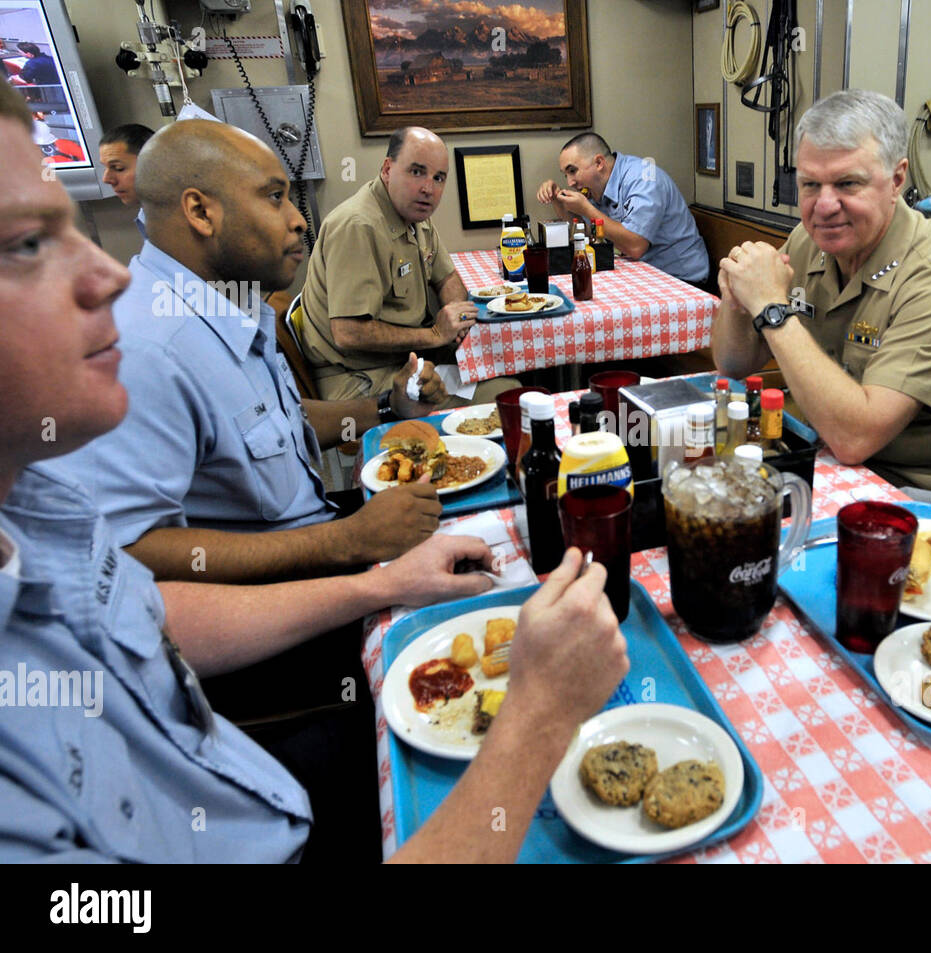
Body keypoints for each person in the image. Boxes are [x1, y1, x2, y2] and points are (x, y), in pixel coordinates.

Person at [0, 81, 630, 862]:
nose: (108, 275)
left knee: (495, 569)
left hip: (263, 752)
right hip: (287, 690)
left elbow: (144, 596)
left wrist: (378, 538)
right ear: (200, 212)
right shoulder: (156, 348)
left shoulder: (221, 316)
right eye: (28, 242)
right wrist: (352, 550)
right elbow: (146, 550)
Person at [55, 119, 453, 586]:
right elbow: (127, 552)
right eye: (273, 196)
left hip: (317, 534)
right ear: (201, 212)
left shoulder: (228, 303)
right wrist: (347, 542)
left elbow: (277, 424)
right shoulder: (144, 348)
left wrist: (388, 406)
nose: (298, 219)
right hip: (274, 595)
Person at [711, 90, 931, 515]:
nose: (825, 206)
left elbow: (855, 437)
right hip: (829, 461)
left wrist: (772, 309)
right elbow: (733, 365)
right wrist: (738, 301)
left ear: (897, 179)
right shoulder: (810, 241)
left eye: (848, 183)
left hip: (925, 493)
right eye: (810, 184)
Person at [299, 126, 514, 404]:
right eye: (416, 172)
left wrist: (455, 315)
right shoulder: (358, 226)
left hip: (409, 358)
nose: (428, 188)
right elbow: (348, 333)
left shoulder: (414, 213)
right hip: (360, 376)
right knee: (504, 398)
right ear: (387, 169)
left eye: (438, 178)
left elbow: (446, 277)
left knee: (505, 368)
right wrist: (435, 334)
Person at [536, 132, 709, 285]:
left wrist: (587, 209)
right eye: (565, 175)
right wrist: (557, 201)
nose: (570, 182)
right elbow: (587, 234)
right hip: (642, 274)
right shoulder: (597, 186)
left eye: (573, 171)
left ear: (599, 163)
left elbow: (635, 246)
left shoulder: (643, 179)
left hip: (682, 279)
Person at [99, 123, 154, 206]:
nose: (106, 179)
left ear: (153, 165)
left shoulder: (177, 216)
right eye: (105, 167)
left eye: (118, 168)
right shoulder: (146, 216)